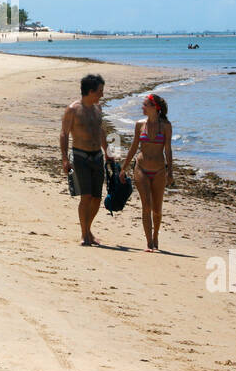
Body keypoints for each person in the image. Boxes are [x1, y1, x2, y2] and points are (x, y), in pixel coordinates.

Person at [119, 93, 173, 251]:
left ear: (154, 107)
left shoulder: (166, 126)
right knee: (146, 205)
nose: (142, 107)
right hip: (141, 168)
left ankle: (155, 236)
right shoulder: (139, 124)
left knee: (157, 210)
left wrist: (170, 171)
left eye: (144, 105)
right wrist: (124, 167)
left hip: (159, 171)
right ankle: (149, 243)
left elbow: (168, 149)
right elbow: (134, 147)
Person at [60, 74, 110, 246]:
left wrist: (107, 151)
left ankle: (88, 230)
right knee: (86, 196)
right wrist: (65, 159)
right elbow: (64, 134)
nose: (102, 95)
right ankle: (84, 234)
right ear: (90, 91)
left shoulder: (98, 109)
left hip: (97, 156)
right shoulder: (73, 110)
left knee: (97, 197)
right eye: (100, 91)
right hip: (80, 157)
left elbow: (100, 131)